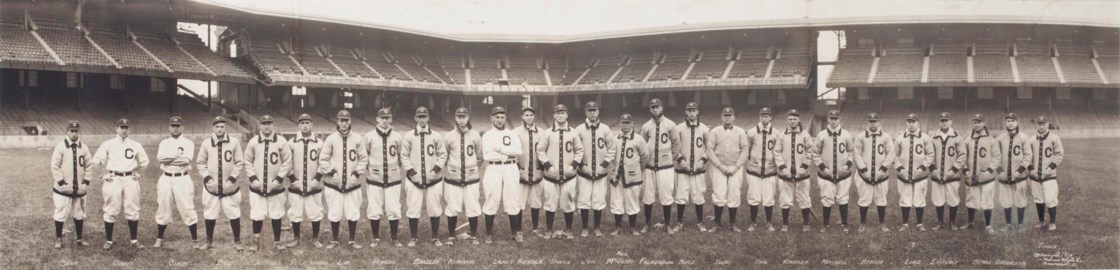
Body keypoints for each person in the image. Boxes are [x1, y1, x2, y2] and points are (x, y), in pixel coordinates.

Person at [92, 118, 150, 250]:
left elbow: (145, 161)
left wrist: (140, 173)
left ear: (130, 129)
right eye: (122, 127)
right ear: (116, 128)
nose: (124, 130)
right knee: (111, 208)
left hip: (130, 178)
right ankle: (109, 240)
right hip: (113, 178)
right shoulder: (108, 144)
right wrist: (103, 174)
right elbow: (96, 161)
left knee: (133, 208)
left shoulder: (136, 145)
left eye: (127, 127)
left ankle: (134, 240)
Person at [319, 110, 369, 248]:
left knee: (353, 212)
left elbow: (363, 159)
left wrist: (357, 173)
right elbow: (323, 159)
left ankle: (352, 240)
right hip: (334, 183)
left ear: (350, 121)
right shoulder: (331, 139)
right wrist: (331, 171)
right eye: (341, 120)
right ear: (337, 121)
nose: (344, 123)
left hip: (352, 183)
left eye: (346, 120)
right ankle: (335, 240)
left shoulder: (358, 138)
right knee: (334, 212)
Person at [196, 116, 245, 250]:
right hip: (211, 187)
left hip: (230, 187)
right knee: (210, 213)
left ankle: (237, 241)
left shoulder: (234, 142)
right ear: (213, 127)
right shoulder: (206, 143)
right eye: (217, 127)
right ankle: (209, 241)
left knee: (234, 213)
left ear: (225, 127)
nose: (219, 129)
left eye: (222, 127)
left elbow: (240, 162)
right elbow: (200, 162)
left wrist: (232, 179)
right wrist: (207, 178)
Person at [244, 115, 292, 251]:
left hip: (276, 187)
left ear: (273, 125)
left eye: (269, 123)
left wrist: (279, 179)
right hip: (257, 187)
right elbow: (247, 161)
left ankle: (277, 241)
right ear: (260, 126)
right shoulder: (253, 141)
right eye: (263, 123)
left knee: (276, 214)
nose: (266, 126)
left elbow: (287, 162)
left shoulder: (281, 141)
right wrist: (253, 178)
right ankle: (256, 241)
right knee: (257, 214)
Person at [401, 107, 448, 246]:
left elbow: (442, 154)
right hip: (414, 179)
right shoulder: (409, 136)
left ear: (428, 118)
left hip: (433, 179)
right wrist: (411, 171)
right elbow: (404, 155)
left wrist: (435, 170)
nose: (422, 119)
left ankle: (434, 237)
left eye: (424, 116)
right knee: (413, 207)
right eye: (419, 116)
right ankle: (413, 237)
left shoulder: (436, 136)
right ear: (415, 118)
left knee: (434, 207)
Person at [536, 104, 584, 239]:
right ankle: (549, 230)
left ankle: (569, 230)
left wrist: (574, 164)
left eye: (563, 113)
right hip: (551, 175)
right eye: (558, 113)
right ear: (554, 115)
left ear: (566, 115)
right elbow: (540, 150)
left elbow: (579, 150)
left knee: (568, 203)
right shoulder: (547, 132)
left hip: (569, 175)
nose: (560, 115)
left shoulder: (573, 132)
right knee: (550, 203)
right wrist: (547, 164)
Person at [153, 116, 201, 249]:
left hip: (182, 177)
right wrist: (176, 157)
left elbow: (186, 161)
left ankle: (195, 239)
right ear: (169, 127)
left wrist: (169, 159)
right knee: (163, 206)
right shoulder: (164, 143)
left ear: (182, 127)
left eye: (178, 125)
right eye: (173, 125)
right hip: (166, 177)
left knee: (187, 207)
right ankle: (159, 238)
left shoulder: (188, 143)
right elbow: (160, 160)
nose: (175, 128)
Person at [481, 106, 526, 243]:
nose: (500, 120)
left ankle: (514, 233)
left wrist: (500, 150)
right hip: (493, 168)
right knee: (491, 198)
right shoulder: (487, 135)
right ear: (492, 118)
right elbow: (487, 155)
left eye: (502, 117)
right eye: (497, 117)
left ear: (505, 118)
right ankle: (488, 234)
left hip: (511, 168)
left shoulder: (512, 134)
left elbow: (518, 151)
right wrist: (507, 154)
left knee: (513, 198)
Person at [363, 108, 405, 247]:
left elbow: (400, 157)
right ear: (377, 119)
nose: (385, 120)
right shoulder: (369, 136)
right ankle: (376, 238)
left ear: (391, 119)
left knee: (393, 208)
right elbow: (364, 157)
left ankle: (394, 238)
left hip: (393, 179)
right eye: (382, 118)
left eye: (387, 118)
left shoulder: (398, 136)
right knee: (374, 209)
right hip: (375, 179)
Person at [574, 101, 616, 237]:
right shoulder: (579, 129)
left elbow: (612, 148)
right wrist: (581, 166)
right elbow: (575, 150)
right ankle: (585, 227)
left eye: (594, 110)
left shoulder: (605, 129)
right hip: (584, 172)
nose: (592, 113)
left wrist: (603, 165)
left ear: (598, 112)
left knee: (598, 200)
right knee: (584, 200)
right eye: (589, 110)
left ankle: (597, 227)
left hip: (600, 172)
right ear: (585, 112)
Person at [50, 121, 94, 249]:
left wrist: (86, 181)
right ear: (67, 131)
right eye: (72, 131)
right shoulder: (60, 147)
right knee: (61, 213)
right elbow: (55, 166)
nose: (74, 133)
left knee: (79, 214)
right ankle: (58, 239)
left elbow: (89, 165)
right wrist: (61, 182)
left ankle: (79, 239)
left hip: (79, 189)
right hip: (63, 189)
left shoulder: (83, 147)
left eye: (76, 131)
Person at [443, 107, 484, 245]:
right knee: (452, 207)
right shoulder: (448, 136)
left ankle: (473, 236)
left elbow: (480, 156)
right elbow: (445, 156)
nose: (461, 119)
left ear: (468, 118)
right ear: (455, 118)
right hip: (453, 179)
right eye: (459, 116)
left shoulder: (475, 135)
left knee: (472, 207)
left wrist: (471, 169)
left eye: (464, 116)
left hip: (471, 178)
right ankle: (450, 236)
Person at [286, 114, 326, 248]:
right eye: (302, 122)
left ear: (312, 125)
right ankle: (296, 237)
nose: (305, 125)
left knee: (315, 211)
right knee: (295, 212)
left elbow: (323, 162)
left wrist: (317, 178)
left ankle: (315, 238)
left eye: (307, 122)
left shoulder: (319, 143)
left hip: (313, 183)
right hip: (296, 184)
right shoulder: (291, 143)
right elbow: (286, 163)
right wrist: (292, 179)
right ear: (298, 125)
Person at [707, 107, 748, 232]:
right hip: (719, 166)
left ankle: (732, 223)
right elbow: (709, 150)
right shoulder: (714, 131)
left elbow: (745, 150)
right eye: (725, 115)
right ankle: (717, 223)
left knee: (734, 194)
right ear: (721, 117)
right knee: (719, 193)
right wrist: (720, 166)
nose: (727, 117)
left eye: (729, 115)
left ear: (734, 117)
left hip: (735, 167)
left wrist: (736, 167)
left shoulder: (740, 131)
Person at [640, 98, 678, 234]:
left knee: (666, 195)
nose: (655, 109)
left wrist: (669, 159)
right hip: (650, 167)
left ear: (662, 108)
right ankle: (647, 224)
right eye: (653, 107)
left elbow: (676, 145)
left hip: (665, 167)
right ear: (650, 109)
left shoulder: (670, 125)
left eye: (657, 107)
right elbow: (641, 145)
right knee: (648, 196)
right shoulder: (646, 126)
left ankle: (667, 224)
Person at [960, 114, 1001, 234]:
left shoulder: (991, 139)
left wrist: (990, 169)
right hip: (971, 176)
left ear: (984, 124)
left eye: (979, 122)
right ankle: (970, 222)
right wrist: (965, 169)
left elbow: (997, 157)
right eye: (974, 122)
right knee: (971, 198)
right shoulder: (967, 140)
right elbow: (963, 156)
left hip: (987, 177)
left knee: (987, 200)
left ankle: (988, 225)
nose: (976, 124)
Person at [852, 113, 894, 233]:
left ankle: (882, 223)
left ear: (879, 122)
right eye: (871, 121)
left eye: (875, 121)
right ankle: (862, 223)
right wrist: (863, 170)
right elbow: (857, 154)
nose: (873, 123)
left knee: (881, 199)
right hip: (864, 175)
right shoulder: (860, 136)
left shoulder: (886, 137)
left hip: (881, 175)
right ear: (868, 122)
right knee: (864, 199)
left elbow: (891, 154)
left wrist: (883, 169)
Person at [773, 110, 814, 232]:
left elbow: (809, 151)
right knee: (785, 199)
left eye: (794, 119)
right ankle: (785, 223)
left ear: (799, 120)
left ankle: (806, 223)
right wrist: (782, 168)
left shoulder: (805, 134)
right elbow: (777, 152)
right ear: (787, 120)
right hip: (786, 174)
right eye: (790, 119)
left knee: (804, 198)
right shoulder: (782, 135)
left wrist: (804, 167)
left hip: (802, 174)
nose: (792, 121)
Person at [609, 114, 648, 236]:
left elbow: (645, 157)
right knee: (617, 201)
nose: (625, 125)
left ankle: (632, 227)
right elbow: (610, 156)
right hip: (617, 176)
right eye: (622, 123)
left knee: (632, 202)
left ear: (632, 124)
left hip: (632, 177)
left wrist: (636, 169)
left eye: (627, 123)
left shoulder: (638, 139)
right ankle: (618, 227)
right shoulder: (615, 139)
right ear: (620, 124)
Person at [894, 113, 934, 232]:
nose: (911, 124)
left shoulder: (925, 137)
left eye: (913, 122)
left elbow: (930, 154)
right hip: (904, 174)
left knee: (920, 199)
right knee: (905, 199)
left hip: (920, 175)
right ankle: (905, 223)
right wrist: (900, 169)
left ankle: (919, 223)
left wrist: (922, 167)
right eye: (909, 122)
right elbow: (894, 156)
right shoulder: (900, 138)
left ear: (918, 123)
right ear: (906, 123)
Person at [514, 105, 547, 238]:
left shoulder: (542, 132)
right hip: (521, 172)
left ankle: (535, 229)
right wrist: (517, 168)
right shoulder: (515, 132)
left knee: (536, 202)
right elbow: (513, 153)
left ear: (534, 116)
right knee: (519, 203)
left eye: (531, 115)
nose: (529, 117)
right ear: (522, 117)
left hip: (536, 172)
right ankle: (519, 230)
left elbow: (544, 151)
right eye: (526, 115)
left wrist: (542, 167)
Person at [995, 113, 1032, 232]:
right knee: (1006, 201)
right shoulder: (1000, 138)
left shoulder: (1023, 137)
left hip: (1019, 176)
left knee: (1020, 200)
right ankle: (1008, 224)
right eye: (1008, 121)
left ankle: (1021, 223)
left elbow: (1028, 155)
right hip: (1004, 176)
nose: (1010, 123)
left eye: (1012, 121)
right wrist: (999, 170)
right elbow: (995, 156)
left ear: (1017, 122)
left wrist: (1020, 170)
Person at [744, 107, 779, 232]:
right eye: (762, 116)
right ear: (759, 117)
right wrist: (754, 160)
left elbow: (778, 151)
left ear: (770, 118)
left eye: (766, 116)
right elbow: (746, 150)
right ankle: (753, 222)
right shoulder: (752, 132)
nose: (764, 119)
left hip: (770, 171)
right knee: (753, 197)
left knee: (769, 198)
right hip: (754, 171)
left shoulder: (776, 133)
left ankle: (768, 222)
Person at [929, 112, 965, 230]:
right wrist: (933, 169)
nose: (944, 123)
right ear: (939, 122)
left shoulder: (957, 137)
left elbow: (962, 156)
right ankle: (940, 222)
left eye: (946, 120)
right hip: (937, 174)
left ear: (951, 122)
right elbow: (929, 154)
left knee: (953, 199)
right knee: (938, 199)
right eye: (942, 121)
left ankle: (952, 222)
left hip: (952, 175)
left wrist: (953, 170)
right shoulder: (934, 137)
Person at [1027, 116, 1063, 232]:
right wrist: (1031, 169)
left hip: (1049, 175)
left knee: (1051, 198)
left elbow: (1059, 154)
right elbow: (1027, 155)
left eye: (1043, 124)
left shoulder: (1054, 138)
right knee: (1038, 199)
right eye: (1039, 124)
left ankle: (1052, 222)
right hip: (1035, 175)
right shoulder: (1032, 139)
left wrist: (1050, 168)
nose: (1041, 126)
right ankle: (1041, 221)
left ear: (1048, 125)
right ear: (1036, 125)